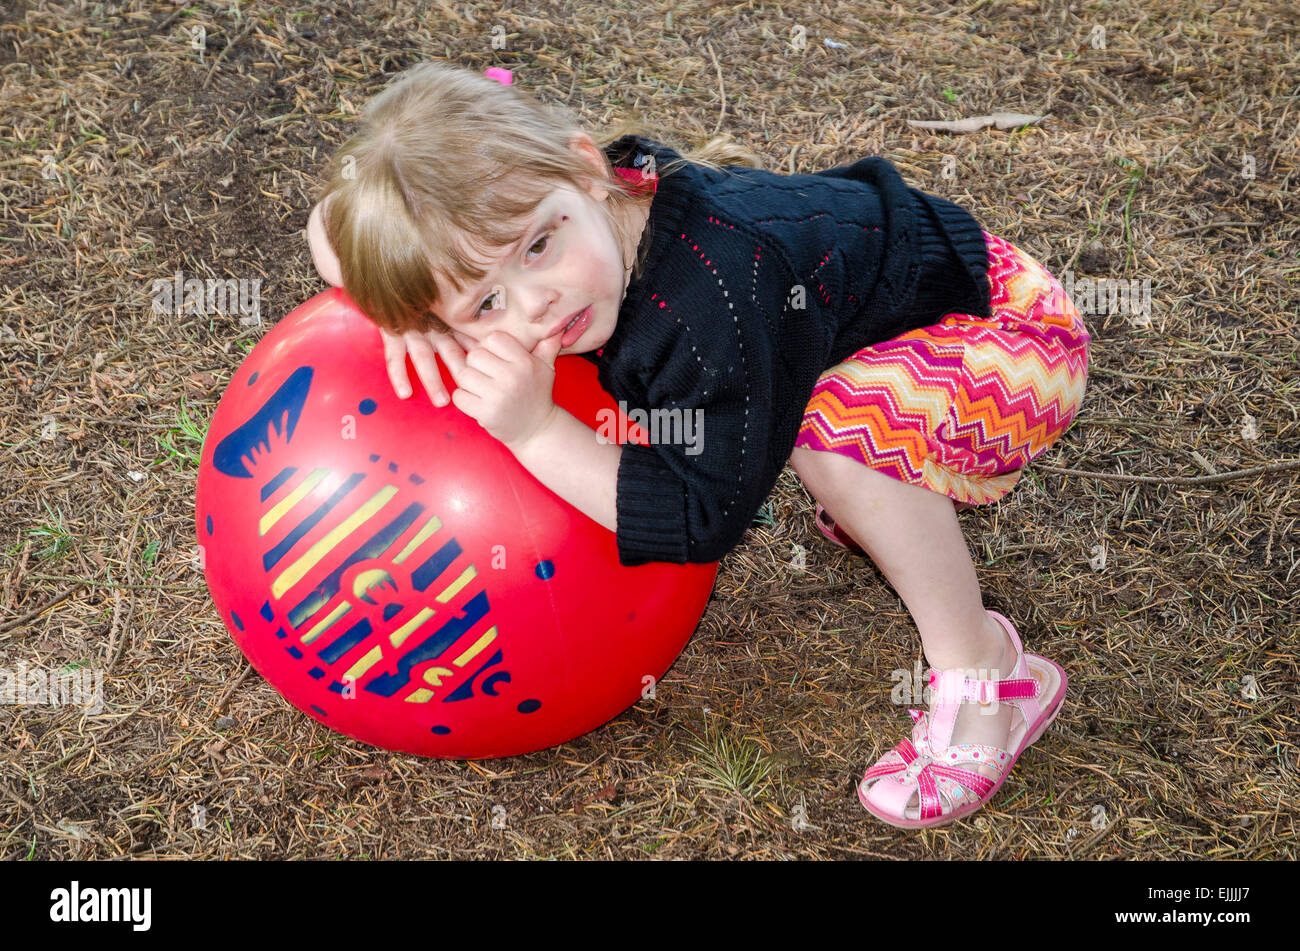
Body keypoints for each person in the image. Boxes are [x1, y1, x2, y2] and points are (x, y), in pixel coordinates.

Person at [305, 62, 1090, 829]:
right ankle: (887, 500)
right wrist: (399, 310)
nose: (537, 304)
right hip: (886, 316)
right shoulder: (576, 219)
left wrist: (537, 429)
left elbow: (701, 514)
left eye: (537, 247)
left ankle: (989, 671)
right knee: (826, 416)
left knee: (836, 436)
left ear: (586, 172)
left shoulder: (712, 302)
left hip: (1009, 337)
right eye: (485, 302)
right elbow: (330, 225)